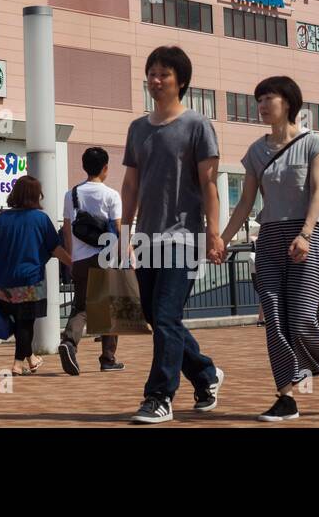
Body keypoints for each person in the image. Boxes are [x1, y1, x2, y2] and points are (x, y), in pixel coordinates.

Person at [221, 76, 319, 422]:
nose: (262, 106)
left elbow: (316, 194)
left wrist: (307, 234)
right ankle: (286, 397)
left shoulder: (314, 144)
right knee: (275, 321)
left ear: (288, 102)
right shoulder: (255, 151)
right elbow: (245, 203)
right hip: (269, 238)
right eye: (259, 100)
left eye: (269, 98)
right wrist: (221, 238)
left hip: (303, 236)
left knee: (302, 322)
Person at [121, 46, 225, 425]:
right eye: (151, 72)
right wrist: (123, 233)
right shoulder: (138, 128)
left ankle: (159, 396)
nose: (155, 79)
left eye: (163, 73)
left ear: (181, 80)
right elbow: (130, 185)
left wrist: (214, 234)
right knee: (156, 316)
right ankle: (205, 373)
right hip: (147, 238)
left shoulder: (197, 125)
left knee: (165, 315)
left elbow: (209, 184)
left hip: (184, 237)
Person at [0, 175, 75, 376]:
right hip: (29, 281)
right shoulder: (40, 219)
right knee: (25, 324)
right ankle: (17, 364)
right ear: (36, 195)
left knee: (18, 322)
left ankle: (32, 359)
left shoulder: (1, 219)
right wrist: (73, 264)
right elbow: (55, 248)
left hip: (3, 283)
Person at [57, 147, 124, 375]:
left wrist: (72, 257)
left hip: (81, 259)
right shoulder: (111, 195)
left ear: (84, 167)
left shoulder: (72, 194)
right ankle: (108, 358)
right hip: (106, 258)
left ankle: (69, 343)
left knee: (82, 306)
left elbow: (67, 229)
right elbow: (117, 228)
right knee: (108, 308)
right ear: (105, 168)